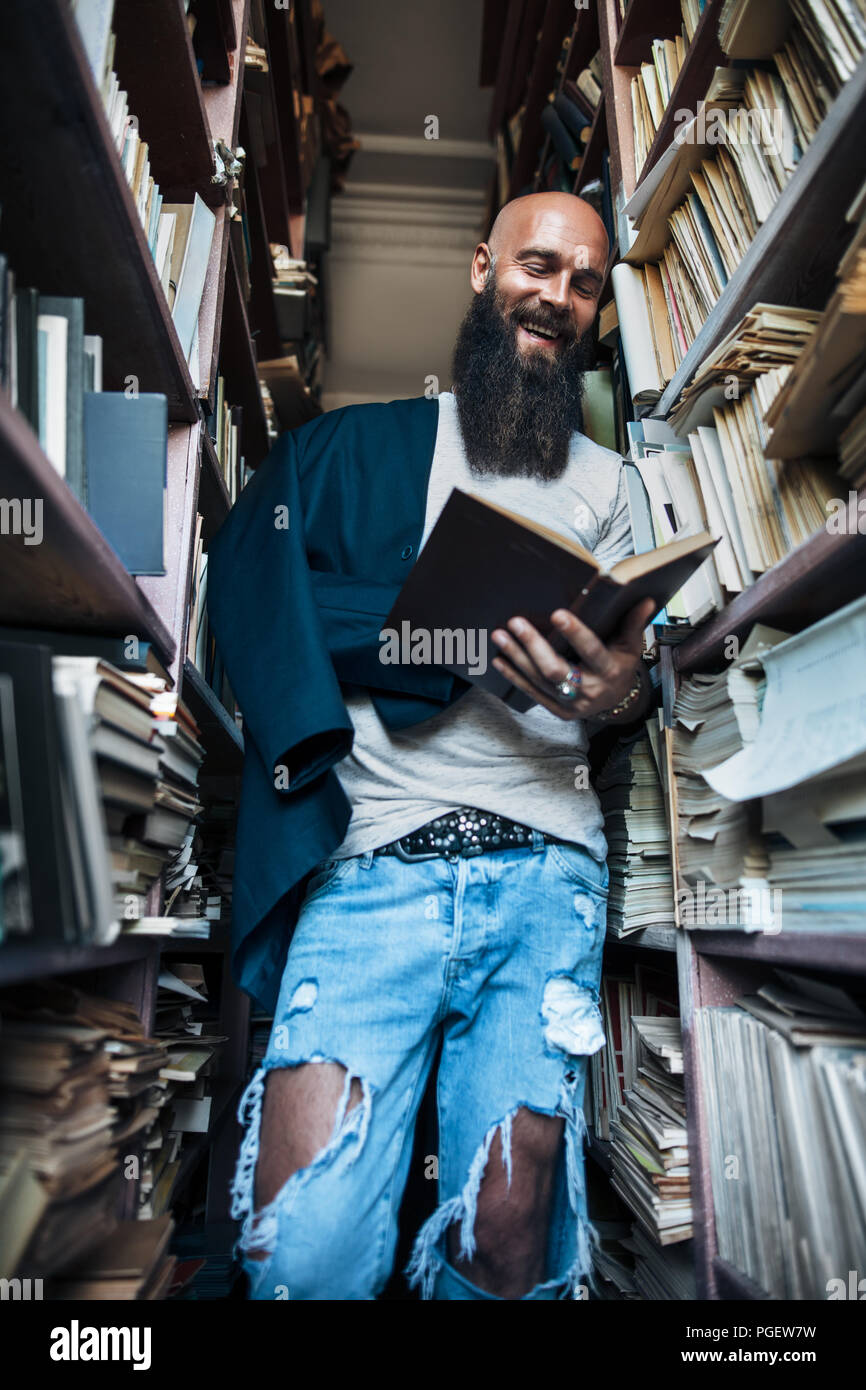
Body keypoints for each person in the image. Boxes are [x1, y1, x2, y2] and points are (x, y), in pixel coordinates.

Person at [208, 191, 655, 1301]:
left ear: (594, 309)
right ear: (480, 268)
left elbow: (632, 675)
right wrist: (419, 634)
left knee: (506, 1249)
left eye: (582, 281)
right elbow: (256, 596)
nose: (555, 295)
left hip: (546, 875)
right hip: (371, 868)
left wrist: (616, 690)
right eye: (536, 265)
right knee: (300, 1248)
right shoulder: (346, 452)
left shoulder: (616, 488)